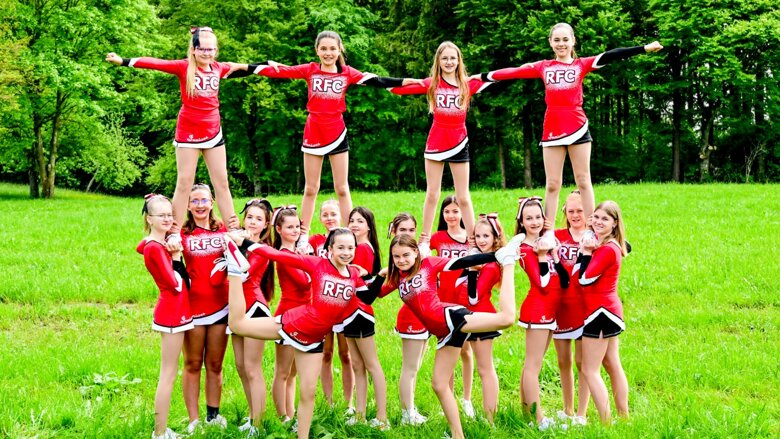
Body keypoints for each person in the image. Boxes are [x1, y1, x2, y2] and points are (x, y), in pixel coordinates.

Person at [237, 31, 420, 248]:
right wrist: (247, 66)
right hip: (314, 132)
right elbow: (280, 71)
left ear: (340, 49)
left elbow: (377, 80)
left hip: (337, 133)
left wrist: (410, 81)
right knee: (311, 188)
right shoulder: (310, 69)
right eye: (323, 48)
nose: (328, 53)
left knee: (342, 188)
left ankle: (351, 232)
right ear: (317, 50)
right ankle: (302, 236)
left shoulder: (347, 73)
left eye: (332, 48)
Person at [479, 23, 662, 238]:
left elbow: (612, 55)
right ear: (550, 42)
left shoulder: (581, 64)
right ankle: (547, 233)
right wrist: (481, 77)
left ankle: (592, 231)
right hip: (552, 129)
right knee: (552, 184)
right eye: (556, 40)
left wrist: (644, 48)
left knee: (583, 180)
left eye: (565, 39)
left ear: (573, 41)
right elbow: (514, 72)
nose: (561, 44)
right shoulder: (543, 66)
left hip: (577, 127)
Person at [365, 234, 523, 439]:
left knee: (506, 319)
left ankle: (508, 261)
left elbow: (461, 262)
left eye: (406, 255)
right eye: (396, 256)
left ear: (416, 253)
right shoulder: (398, 278)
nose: (401, 260)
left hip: (450, 318)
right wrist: (380, 275)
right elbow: (371, 296)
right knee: (439, 385)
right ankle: (458, 435)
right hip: (443, 333)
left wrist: (495, 256)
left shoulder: (428, 264)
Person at [224, 228, 374, 439]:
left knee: (308, 392)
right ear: (330, 249)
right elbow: (279, 256)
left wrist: (384, 275)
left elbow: (368, 298)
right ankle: (235, 268)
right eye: (341, 247)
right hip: (296, 323)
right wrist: (246, 244)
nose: (346, 252)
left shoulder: (354, 275)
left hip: (315, 338)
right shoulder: (318, 264)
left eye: (351, 248)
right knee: (237, 325)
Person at [106, 27, 250, 231]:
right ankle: (174, 232)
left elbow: (245, 67)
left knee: (222, 183)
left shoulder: (219, 68)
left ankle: (233, 232)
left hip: (213, 132)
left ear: (216, 50)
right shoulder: (183, 67)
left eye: (211, 49)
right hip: (188, 132)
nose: (207, 53)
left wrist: (268, 66)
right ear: (193, 49)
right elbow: (155, 63)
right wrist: (123, 61)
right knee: (184, 183)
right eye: (202, 49)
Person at [390, 41, 497, 254]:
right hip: (436, 142)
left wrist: (484, 76)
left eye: (452, 58)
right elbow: (397, 90)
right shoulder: (432, 84)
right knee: (432, 194)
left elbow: (498, 79)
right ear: (438, 61)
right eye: (445, 58)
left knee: (463, 196)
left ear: (459, 61)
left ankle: (473, 243)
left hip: (459, 142)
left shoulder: (467, 84)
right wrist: (404, 80)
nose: (449, 62)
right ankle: (424, 241)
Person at [138, 194, 194, 439]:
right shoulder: (155, 248)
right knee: (168, 374)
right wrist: (177, 257)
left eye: (169, 214)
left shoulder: (156, 244)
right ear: (149, 219)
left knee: (171, 371)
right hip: (171, 312)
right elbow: (176, 284)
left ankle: (162, 429)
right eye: (161, 215)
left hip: (177, 310)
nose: (167, 219)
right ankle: (159, 432)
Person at [514, 196, 570, 430]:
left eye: (538, 217)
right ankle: (539, 420)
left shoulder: (545, 244)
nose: (534, 222)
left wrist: (553, 253)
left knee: (532, 365)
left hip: (550, 311)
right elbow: (543, 284)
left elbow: (564, 280)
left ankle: (527, 414)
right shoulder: (526, 250)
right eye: (529, 218)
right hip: (538, 311)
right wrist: (541, 256)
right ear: (521, 222)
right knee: (532, 366)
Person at [178, 183, 231, 432]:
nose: (200, 205)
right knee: (192, 363)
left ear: (212, 202)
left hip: (221, 305)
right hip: (193, 306)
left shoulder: (224, 229)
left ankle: (213, 416)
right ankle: (194, 420)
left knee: (215, 364)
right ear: (188, 205)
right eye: (195, 201)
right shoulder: (181, 233)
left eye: (204, 200)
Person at [575, 201, 630, 424]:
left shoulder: (607, 249)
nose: (599, 221)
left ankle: (607, 423)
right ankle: (623, 418)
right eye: (596, 217)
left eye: (605, 219)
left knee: (590, 370)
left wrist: (586, 252)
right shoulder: (609, 245)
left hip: (600, 313)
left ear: (615, 223)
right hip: (609, 311)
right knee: (611, 363)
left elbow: (583, 278)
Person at [337, 207, 388, 429]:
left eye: (360, 221)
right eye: (351, 220)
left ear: (369, 225)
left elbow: (360, 284)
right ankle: (360, 415)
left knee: (372, 365)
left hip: (359, 311)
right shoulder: (355, 246)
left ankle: (382, 417)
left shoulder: (364, 248)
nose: (354, 224)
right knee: (357, 365)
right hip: (347, 313)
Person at [231, 199, 275, 435]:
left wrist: (238, 245)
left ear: (266, 224)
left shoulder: (261, 249)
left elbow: (243, 272)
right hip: (235, 308)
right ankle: (251, 416)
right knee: (240, 366)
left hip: (254, 308)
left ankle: (258, 424)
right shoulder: (234, 240)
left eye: (259, 219)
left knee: (252, 368)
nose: (253, 222)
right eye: (250, 217)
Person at [458, 213, 506, 423]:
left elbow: (474, 297)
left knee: (485, 369)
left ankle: (490, 419)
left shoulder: (492, 265)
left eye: (486, 236)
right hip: (470, 317)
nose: (481, 240)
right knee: (479, 367)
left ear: (495, 238)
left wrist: (470, 270)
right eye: (478, 236)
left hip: (482, 317)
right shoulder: (481, 259)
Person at [429, 196, 475, 417]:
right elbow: (420, 252)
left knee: (465, 350)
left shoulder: (471, 239)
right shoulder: (437, 238)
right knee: (447, 348)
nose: (451, 215)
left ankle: (466, 399)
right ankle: (449, 398)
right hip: (443, 300)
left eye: (455, 211)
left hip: (464, 298)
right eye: (447, 211)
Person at [310, 200, 355, 410]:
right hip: (323, 304)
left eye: (333, 214)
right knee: (325, 353)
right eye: (325, 214)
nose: (329, 218)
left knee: (346, 355)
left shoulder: (348, 238)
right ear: (320, 218)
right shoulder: (315, 241)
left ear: (340, 216)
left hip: (345, 305)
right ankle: (328, 404)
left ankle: (349, 404)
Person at [268, 207, 311, 423]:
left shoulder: (296, 254)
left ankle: (291, 415)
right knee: (282, 372)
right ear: (279, 229)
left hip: (302, 317)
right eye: (290, 227)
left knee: (293, 373)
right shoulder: (284, 255)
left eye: (297, 227)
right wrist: (309, 262)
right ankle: (281, 417)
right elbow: (304, 283)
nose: (295, 231)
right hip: (288, 315)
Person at [387, 213, 428, 425]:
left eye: (412, 230)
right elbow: (377, 290)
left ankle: (411, 409)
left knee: (416, 368)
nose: (408, 234)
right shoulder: (399, 270)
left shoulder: (422, 262)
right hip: (410, 321)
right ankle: (406, 414)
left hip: (425, 321)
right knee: (409, 369)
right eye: (403, 230)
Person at [553, 191, 589, 425]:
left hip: (585, 306)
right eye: (571, 211)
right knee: (563, 361)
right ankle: (567, 410)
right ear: (565, 212)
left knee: (583, 362)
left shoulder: (593, 237)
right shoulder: (556, 236)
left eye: (580, 211)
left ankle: (581, 414)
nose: (575, 215)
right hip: (560, 305)